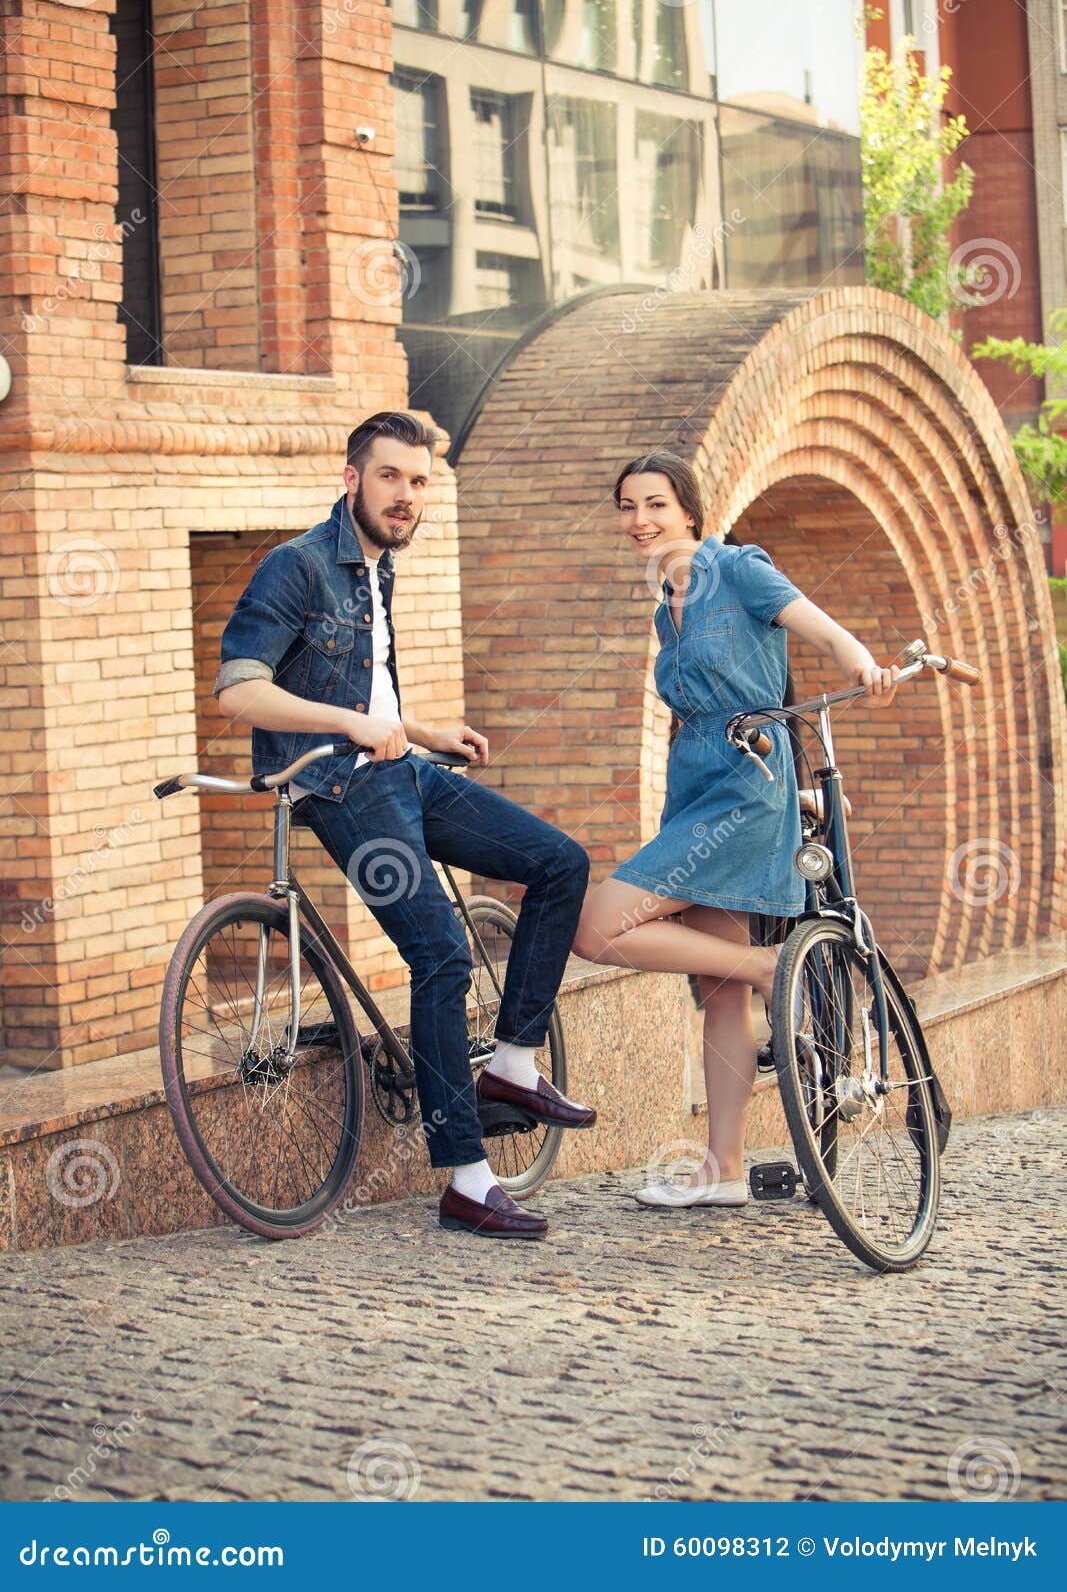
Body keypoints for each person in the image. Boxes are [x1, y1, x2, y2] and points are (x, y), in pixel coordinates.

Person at [213, 411, 594, 1240]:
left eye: (418, 483)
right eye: (390, 477)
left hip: (403, 771)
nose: (405, 496)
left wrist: (420, 730)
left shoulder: (377, 568)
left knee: (561, 863)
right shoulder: (296, 568)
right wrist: (351, 730)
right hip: (343, 788)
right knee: (442, 953)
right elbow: (239, 690)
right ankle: (466, 1177)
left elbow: (363, 694)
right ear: (352, 478)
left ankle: (513, 1068)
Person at [572, 449, 894, 1209]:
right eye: (626, 507)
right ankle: (721, 1168)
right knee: (715, 983)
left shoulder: (739, 569)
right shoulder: (665, 603)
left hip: (747, 784)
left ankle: (770, 968)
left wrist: (863, 665)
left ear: (688, 510)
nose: (639, 520)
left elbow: (817, 629)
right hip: (693, 786)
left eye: (654, 504)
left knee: (598, 928)